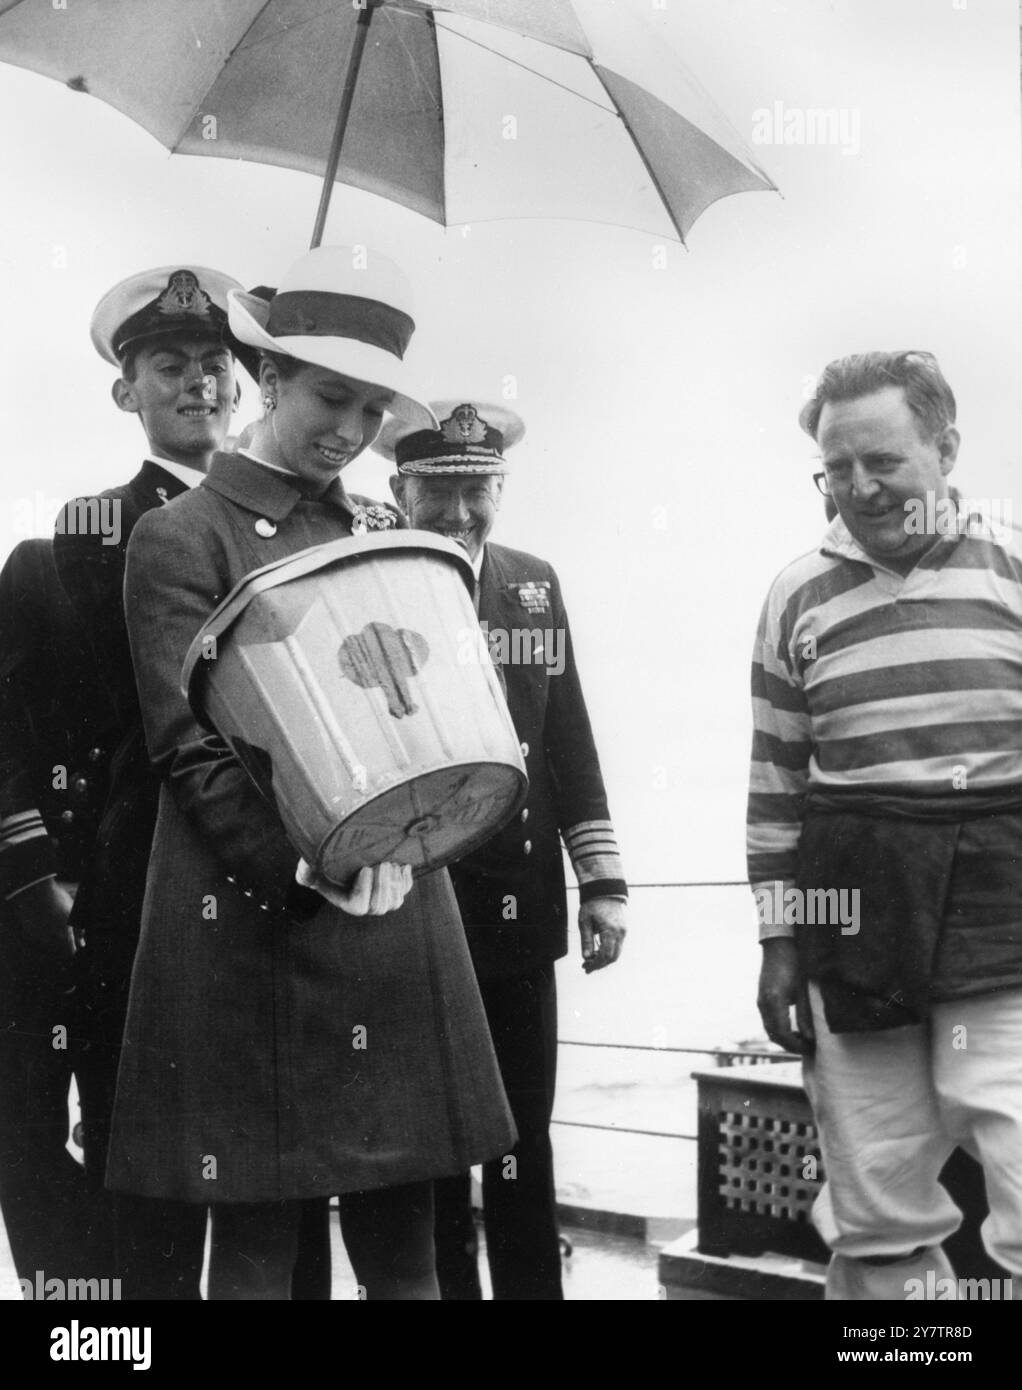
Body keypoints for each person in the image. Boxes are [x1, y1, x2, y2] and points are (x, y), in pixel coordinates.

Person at [105, 247, 516, 1301]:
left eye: (372, 408)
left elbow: (422, 721)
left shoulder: (385, 537)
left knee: (405, 1238)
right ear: (269, 377)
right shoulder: (176, 536)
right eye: (330, 394)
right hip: (246, 917)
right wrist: (298, 872)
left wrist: (411, 842)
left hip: (390, 907)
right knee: (251, 1243)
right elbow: (182, 744)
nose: (350, 428)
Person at [53, 264, 330, 1298]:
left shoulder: (315, 528)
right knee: (156, 1184)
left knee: (292, 1163)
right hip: (152, 889)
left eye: (217, 362)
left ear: (248, 380)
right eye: (169, 365)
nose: (199, 383)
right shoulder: (85, 540)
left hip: (283, 883)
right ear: (127, 391)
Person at [749, 350, 1022, 1300]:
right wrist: (778, 939)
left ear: (945, 449)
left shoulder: (1015, 556)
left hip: (1006, 912)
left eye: (884, 463)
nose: (858, 489)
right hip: (855, 917)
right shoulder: (797, 595)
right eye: (837, 469)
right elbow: (777, 783)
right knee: (877, 1210)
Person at [381, 401, 628, 1300]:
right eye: (437, 490)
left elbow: (569, 738)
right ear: (397, 487)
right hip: (414, 910)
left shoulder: (533, 583)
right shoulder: (373, 578)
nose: (457, 513)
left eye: (476, 490)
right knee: (433, 1142)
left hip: (522, 916)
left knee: (525, 1136)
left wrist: (602, 881)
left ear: (500, 489)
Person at [0, 538, 116, 1290]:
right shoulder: (42, 564)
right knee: (26, 1127)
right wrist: (33, 875)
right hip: (32, 901)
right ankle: (70, 1315)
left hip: (151, 900)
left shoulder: (213, 563)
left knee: (132, 1140)